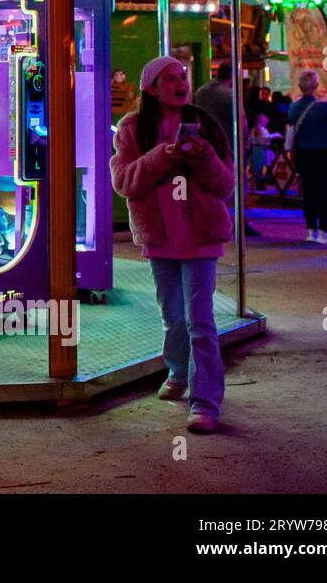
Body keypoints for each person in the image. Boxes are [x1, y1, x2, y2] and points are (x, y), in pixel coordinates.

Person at [111, 56, 233, 434]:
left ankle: (205, 403)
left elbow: (225, 185)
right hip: (160, 239)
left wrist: (204, 157)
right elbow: (124, 182)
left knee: (201, 321)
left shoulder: (205, 124)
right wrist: (159, 157)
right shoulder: (132, 128)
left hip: (201, 239)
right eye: (170, 78)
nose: (181, 82)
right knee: (173, 317)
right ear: (151, 87)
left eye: (183, 76)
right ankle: (178, 372)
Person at [194, 62, 258, 238]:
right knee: (237, 185)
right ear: (232, 77)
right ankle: (240, 222)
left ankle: (210, 219)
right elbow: (242, 121)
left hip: (206, 146)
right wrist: (245, 143)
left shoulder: (201, 92)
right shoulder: (232, 95)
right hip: (230, 146)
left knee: (210, 186)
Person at [287, 70, 327, 244]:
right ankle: (325, 230)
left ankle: (311, 230)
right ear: (316, 86)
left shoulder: (293, 107)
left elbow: (291, 132)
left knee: (309, 191)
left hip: (303, 154)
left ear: (300, 87)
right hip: (324, 154)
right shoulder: (325, 107)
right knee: (326, 191)